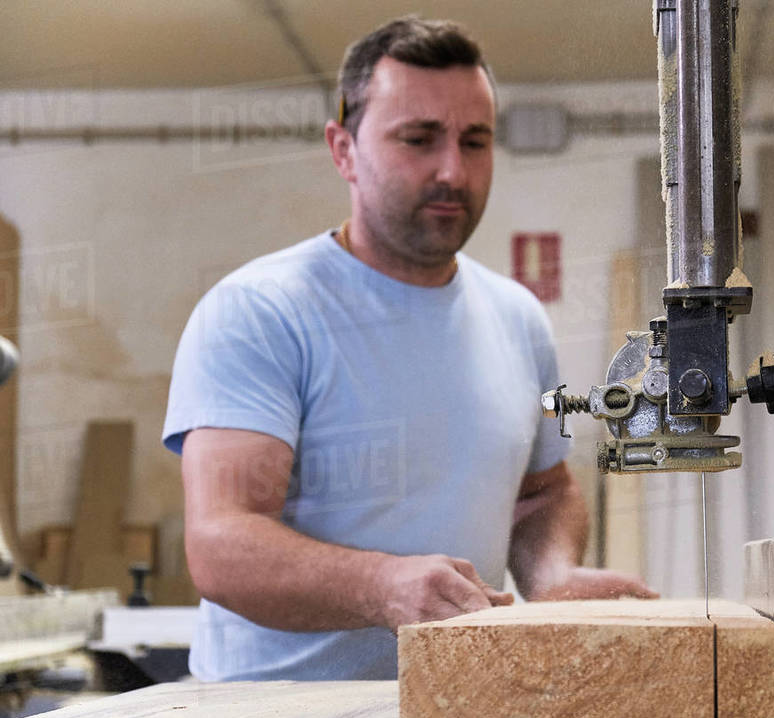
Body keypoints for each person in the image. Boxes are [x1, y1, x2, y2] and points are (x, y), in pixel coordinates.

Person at [163, 16, 655, 681]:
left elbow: (543, 495)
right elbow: (221, 544)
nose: (452, 170)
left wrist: (553, 576)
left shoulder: (519, 318)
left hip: (458, 706)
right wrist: (380, 587)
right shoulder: (258, 312)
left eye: (474, 142)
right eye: (419, 140)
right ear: (343, 150)